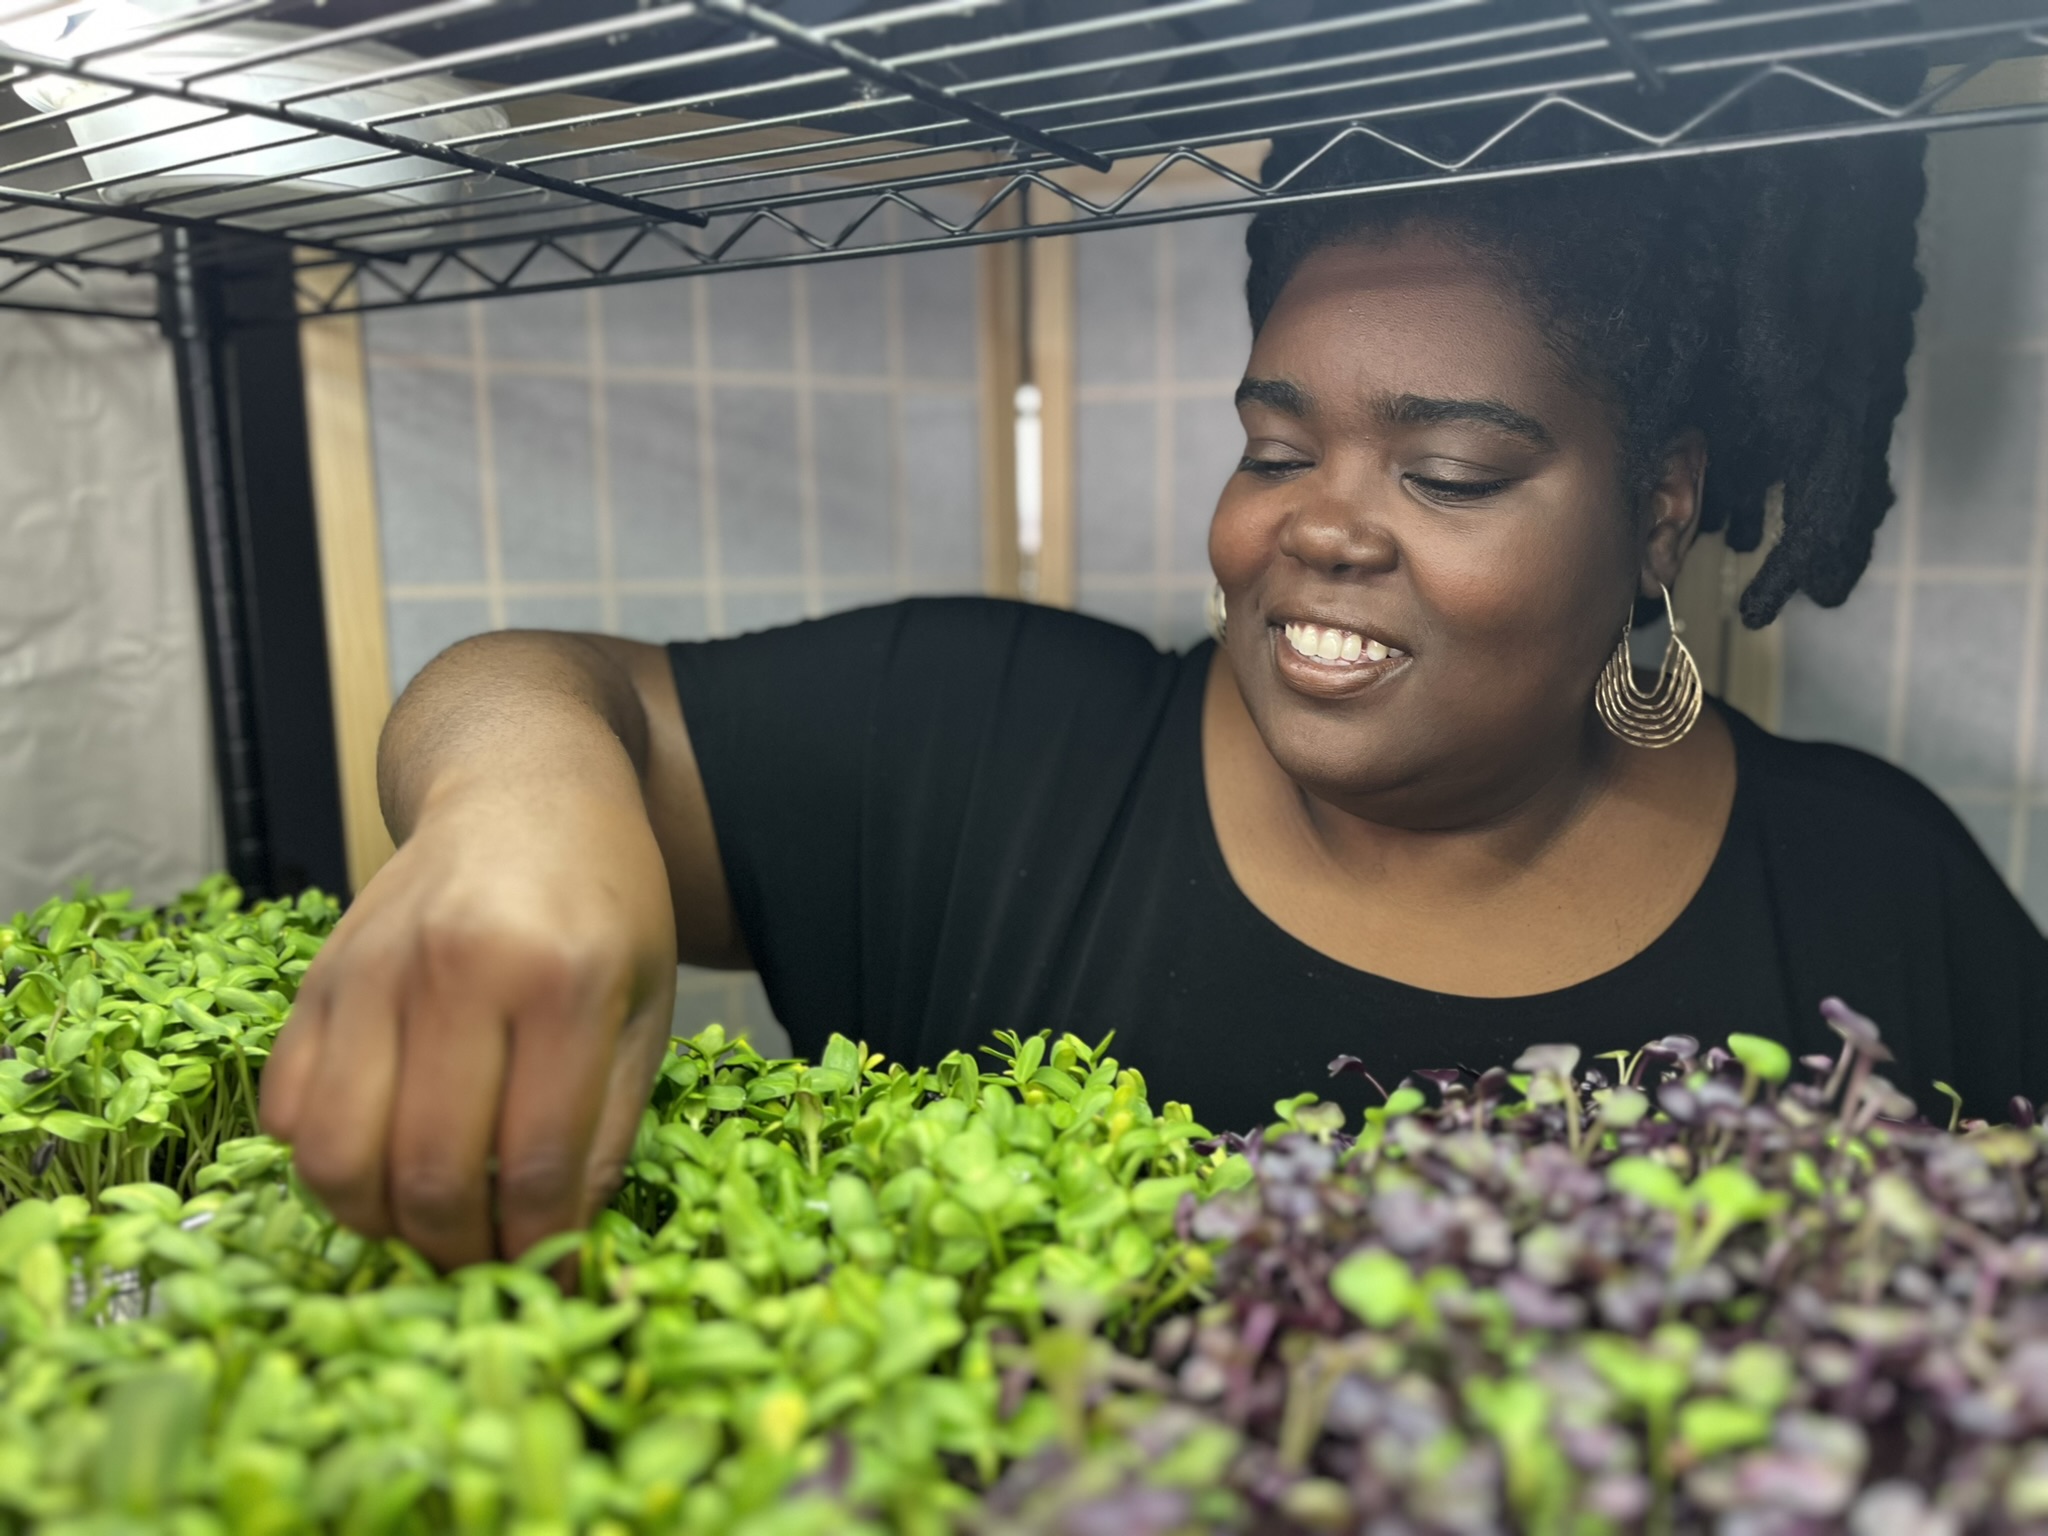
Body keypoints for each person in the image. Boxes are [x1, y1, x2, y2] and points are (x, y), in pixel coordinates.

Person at [259, 131, 2048, 1271]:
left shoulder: (1877, 893)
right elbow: (546, 691)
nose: (1319, 526)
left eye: (1449, 473)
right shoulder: (996, 748)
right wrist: (528, 816)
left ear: (1658, 502)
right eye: (1276, 446)